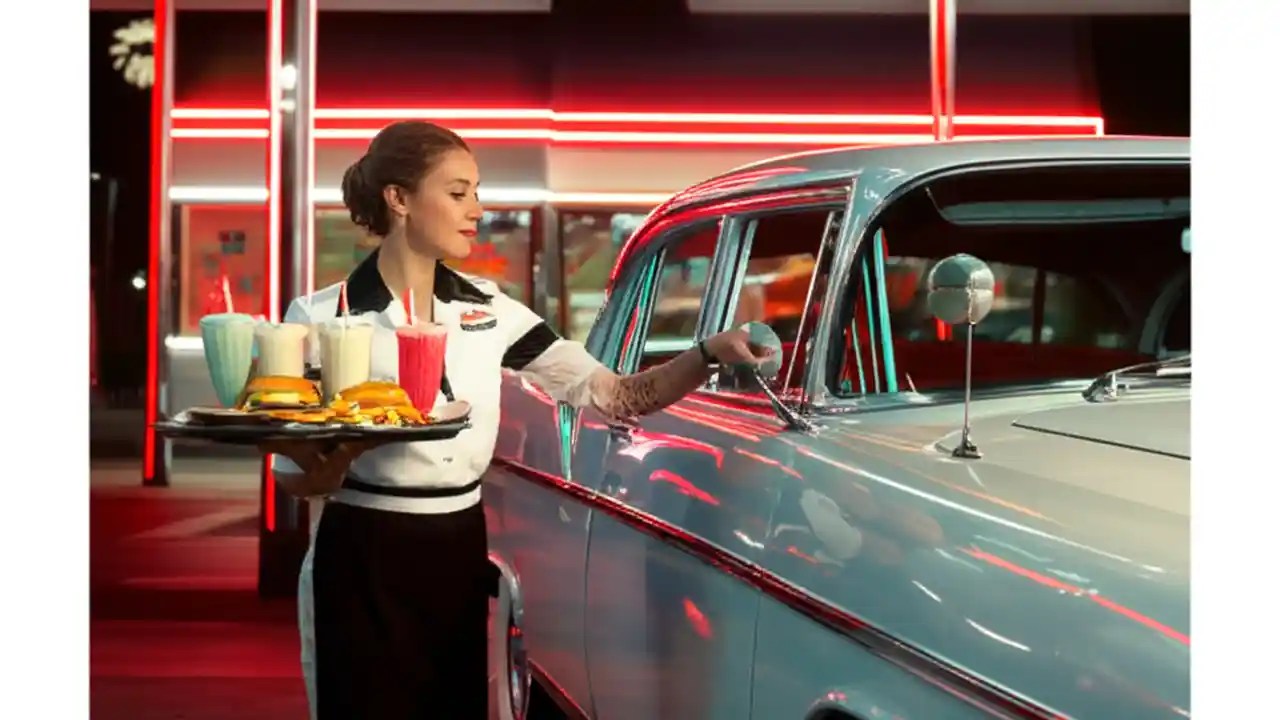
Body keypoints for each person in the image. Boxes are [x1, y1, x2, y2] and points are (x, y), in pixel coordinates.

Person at [264, 120, 771, 719]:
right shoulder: (323, 314)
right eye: (458, 193)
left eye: (476, 192)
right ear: (398, 199)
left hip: (458, 542)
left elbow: (612, 394)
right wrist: (328, 467)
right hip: (362, 550)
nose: (477, 209)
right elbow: (291, 472)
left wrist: (708, 353)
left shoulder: (491, 309)